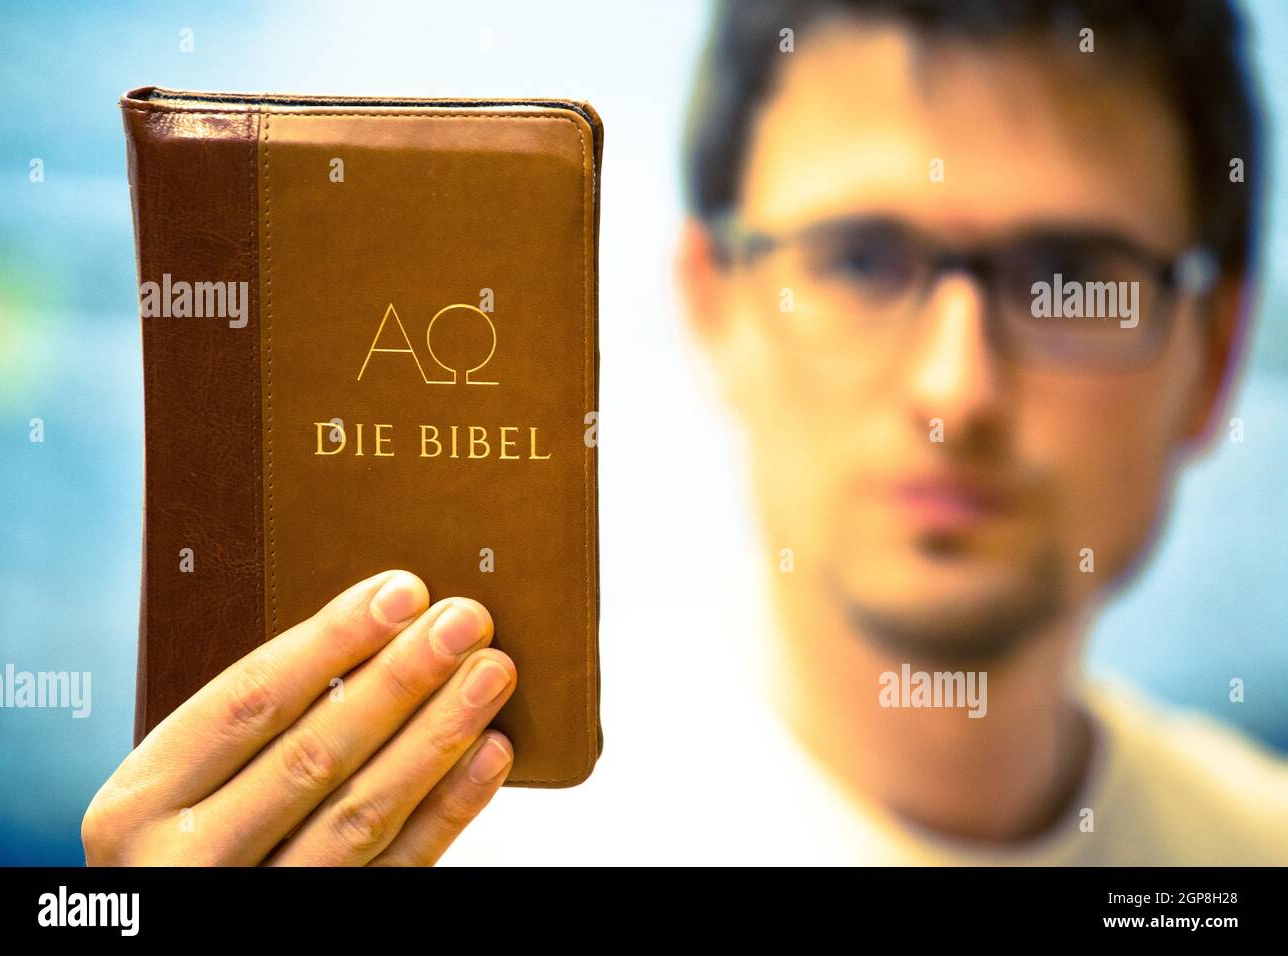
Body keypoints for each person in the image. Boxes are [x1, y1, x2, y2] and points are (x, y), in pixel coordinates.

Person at [84, 0, 1287, 865]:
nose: (953, 386)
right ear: (711, 303)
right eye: (861, 259)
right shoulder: (443, 840)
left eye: (1072, 273)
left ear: (1215, 353)